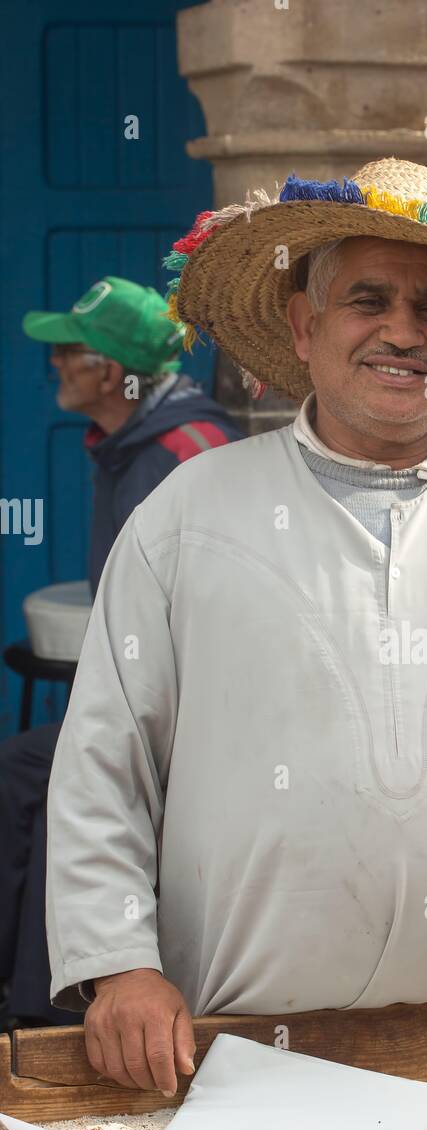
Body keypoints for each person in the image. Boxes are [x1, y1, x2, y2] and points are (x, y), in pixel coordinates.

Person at [45, 159, 427, 1098]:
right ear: (303, 326)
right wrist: (120, 961)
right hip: (243, 1051)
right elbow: (106, 757)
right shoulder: (192, 513)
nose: (402, 333)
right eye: (366, 300)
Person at [0, 278, 244, 1029]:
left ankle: (49, 1020)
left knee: (73, 786)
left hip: (200, 718)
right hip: (148, 697)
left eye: (66, 353)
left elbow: (224, 619)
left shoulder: (186, 453)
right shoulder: (132, 443)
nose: (55, 368)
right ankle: (19, 994)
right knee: (21, 771)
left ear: (108, 371)